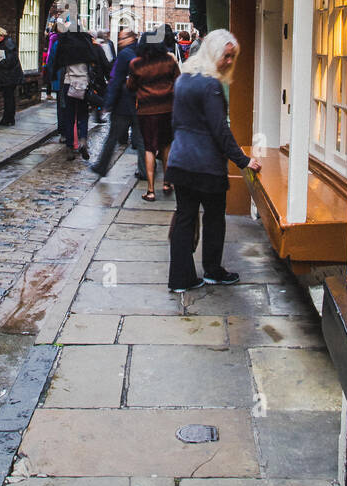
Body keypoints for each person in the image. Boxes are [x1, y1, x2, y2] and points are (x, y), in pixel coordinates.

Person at [165, 29, 261, 294]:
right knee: (214, 218)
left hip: (180, 161)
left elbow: (176, 122)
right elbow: (220, 130)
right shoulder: (210, 85)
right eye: (226, 56)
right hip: (205, 166)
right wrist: (244, 161)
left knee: (185, 218)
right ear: (213, 53)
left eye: (233, 57)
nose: (230, 62)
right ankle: (213, 271)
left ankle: (180, 279)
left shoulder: (184, 78)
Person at [126, 25, 179, 201]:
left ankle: (150, 190)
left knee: (149, 147)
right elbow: (178, 81)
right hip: (167, 108)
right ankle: (167, 182)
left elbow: (131, 87)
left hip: (146, 110)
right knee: (166, 146)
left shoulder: (136, 64)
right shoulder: (169, 61)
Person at [90, 26, 147, 180]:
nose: (120, 41)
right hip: (140, 103)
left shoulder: (125, 55)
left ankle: (102, 166)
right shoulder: (141, 53)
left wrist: (107, 104)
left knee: (112, 137)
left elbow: (116, 80)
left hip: (123, 104)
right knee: (141, 139)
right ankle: (144, 170)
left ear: (130, 38)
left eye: (122, 38)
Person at [53, 18, 102, 161]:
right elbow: (94, 63)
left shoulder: (65, 44)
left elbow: (57, 62)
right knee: (82, 115)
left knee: (69, 116)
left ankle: (69, 146)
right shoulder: (86, 44)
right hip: (83, 84)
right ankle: (83, 141)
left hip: (69, 84)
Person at [0, 26, 23, 125]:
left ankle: (7, 119)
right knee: (9, 98)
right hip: (11, 76)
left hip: (9, 76)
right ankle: (9, 119)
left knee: (8, 98)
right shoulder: (8, 42)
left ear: (0, 36)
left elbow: (9, 61)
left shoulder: (6, 44)